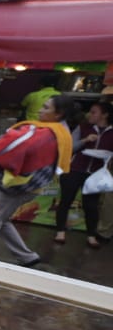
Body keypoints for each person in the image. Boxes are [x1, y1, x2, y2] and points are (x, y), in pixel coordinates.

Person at [0, 95, 73, 266]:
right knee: (1, 220)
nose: (41, 110)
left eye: (46, 108)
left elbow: (16, 148)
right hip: (31, 186)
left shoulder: (46, 133)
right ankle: (27, 257)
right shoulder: (61, 132)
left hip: (18, 184)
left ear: (58, 114)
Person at [56, 100, 112, 247]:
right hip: (75, 168)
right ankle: (60, 231)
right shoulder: (83, 128)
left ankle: (91, 235)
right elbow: (70, 147)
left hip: (95, 173)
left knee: (91, 206)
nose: (90, 115)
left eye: (94, 112)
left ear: (105, 115)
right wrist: (85, 140)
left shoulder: (111, 132)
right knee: (66, 200)